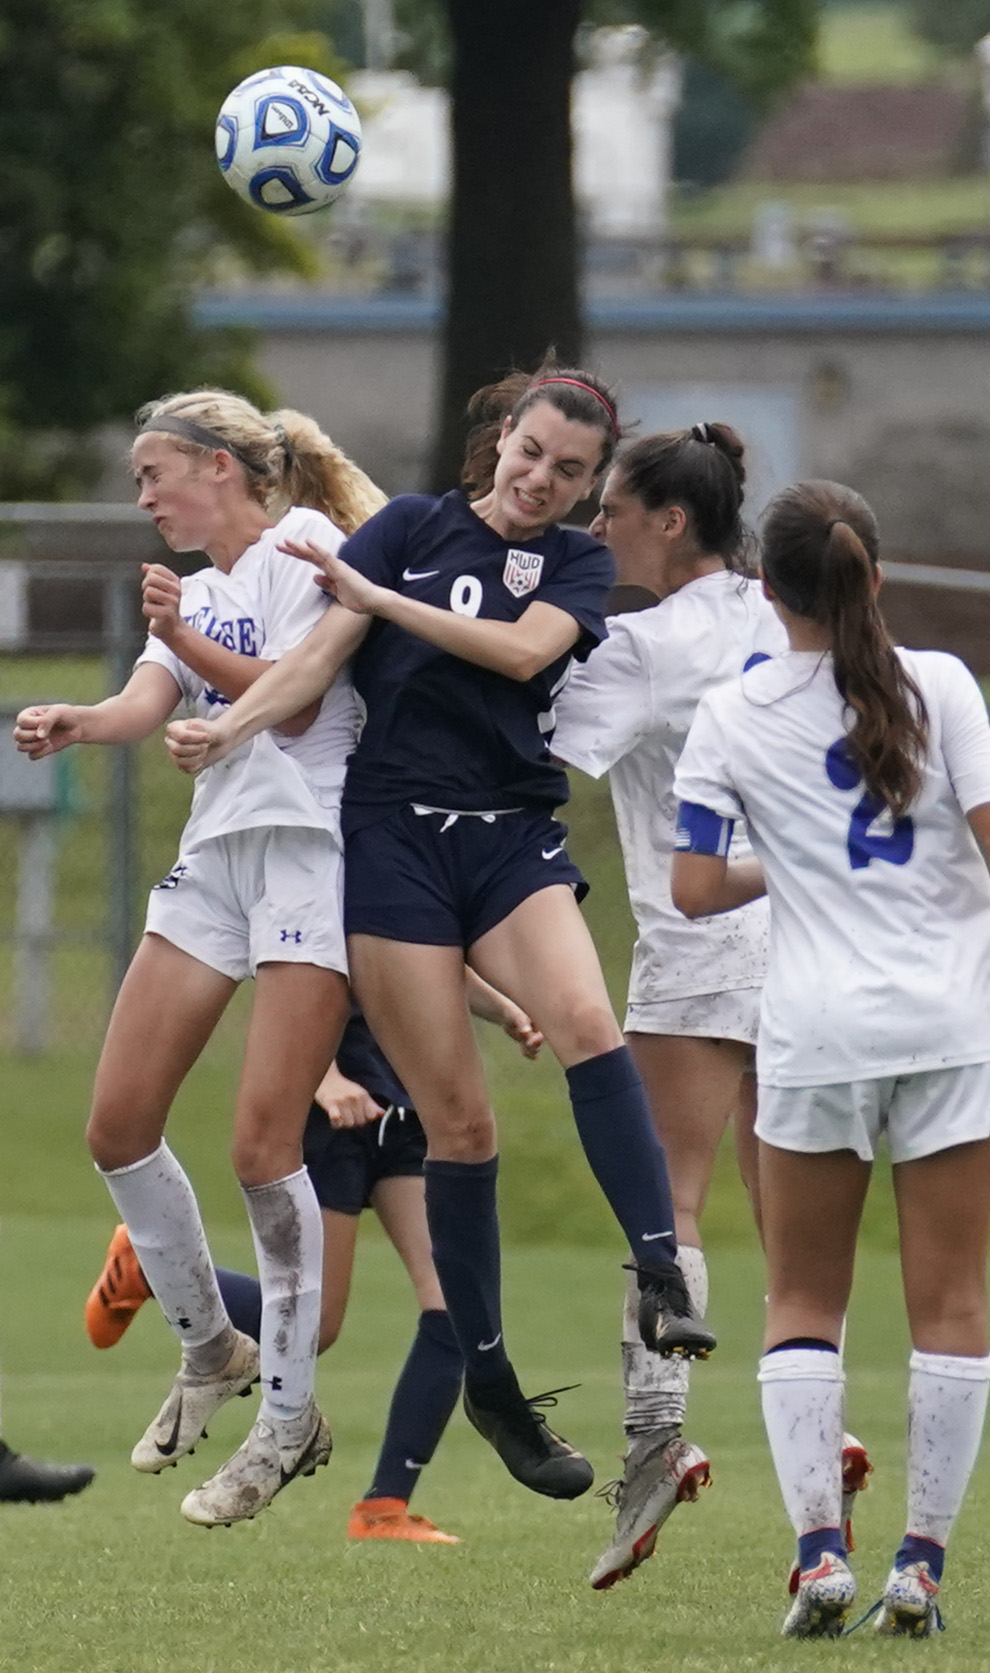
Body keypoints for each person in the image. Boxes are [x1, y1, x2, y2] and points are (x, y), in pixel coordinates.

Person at [163, 362, 714, 1505]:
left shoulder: (575, 564)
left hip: (509, 835)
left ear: (589, 485)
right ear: (501, 438)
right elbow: (317, 658)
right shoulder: (411, 525)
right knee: (460, 1124)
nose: (542, 479)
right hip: (394, 841)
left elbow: (520, 653)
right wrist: (230, 728)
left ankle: (660, 1269)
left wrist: (379, 598)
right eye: (531, 452)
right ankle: (494, 1386)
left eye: (570, 470)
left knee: (586, 1018)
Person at [670, 479, 990, 1638]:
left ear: (766, 589)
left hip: (813, 1034)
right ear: (875, 577)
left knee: (803, 1297)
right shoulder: (940, 683)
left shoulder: (730, 711)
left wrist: (793, 863)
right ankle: (921, 1564)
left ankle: (817, 1556)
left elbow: (693, 888)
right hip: (951, 1029)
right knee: (949, 1298)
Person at [14, 389, 384, 1528]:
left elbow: (291, 701)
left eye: (153, 473)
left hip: (309, 852)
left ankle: (288, 1418)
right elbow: (149, 698)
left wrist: (181, 638)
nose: (143, 497)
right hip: (217, 856)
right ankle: (211, 1347)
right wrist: (82, 718)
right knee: (116, 1123)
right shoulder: (197, 588)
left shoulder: (304, 544)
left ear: (220, 466)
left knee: (264, 1145)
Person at [554, 425, 869, 1589]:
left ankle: (655, 1439)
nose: (596, 528)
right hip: (816, 933)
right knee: (792, 1217)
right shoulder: (785, 613)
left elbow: (536, 740)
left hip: (700, 938)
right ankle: (820, 1434)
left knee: (666, 1202)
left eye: (611, 510)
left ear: (670, 520)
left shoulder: (643, 645)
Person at [85, 989, 543, 1543]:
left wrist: (505, 1010)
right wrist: (323, 1077)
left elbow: (431, 960)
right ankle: (148, 1270)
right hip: (336, 1110)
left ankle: (384, 1508)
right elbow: (287, 966)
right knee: (317, 1326)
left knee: (452, 1307)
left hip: (408, 1107)